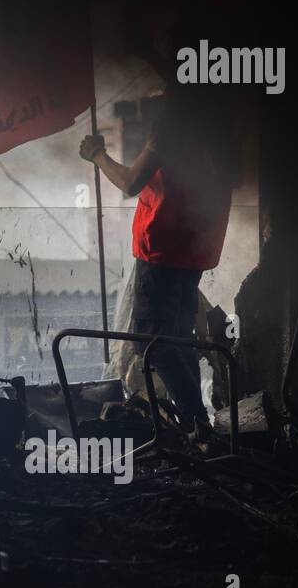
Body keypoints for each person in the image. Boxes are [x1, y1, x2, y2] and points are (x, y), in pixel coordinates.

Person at [79, 81, 239, 438]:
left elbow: (131, 182)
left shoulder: (176, 121)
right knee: (179, 336)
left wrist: (97, 154)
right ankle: (198, 426)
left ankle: (197, 424)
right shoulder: (220, 121)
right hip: (195, 248)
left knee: (153, 340)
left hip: (163, 245)